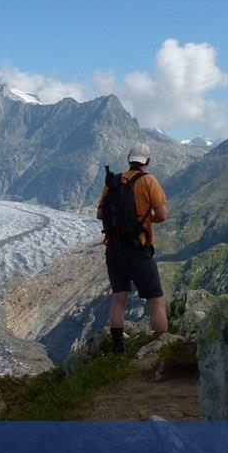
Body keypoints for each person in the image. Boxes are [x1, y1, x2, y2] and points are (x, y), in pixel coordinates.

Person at [96, 144, 169, 354]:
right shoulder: (149, 181)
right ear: (148, 161)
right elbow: (162, 215)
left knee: (119, 298)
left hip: (114, 248)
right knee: (156, 300)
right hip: (139, 249)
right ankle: (162, 347)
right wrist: (144, 219)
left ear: (129, 159)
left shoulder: (113, 181)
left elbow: (100, 215)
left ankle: (118, 347)